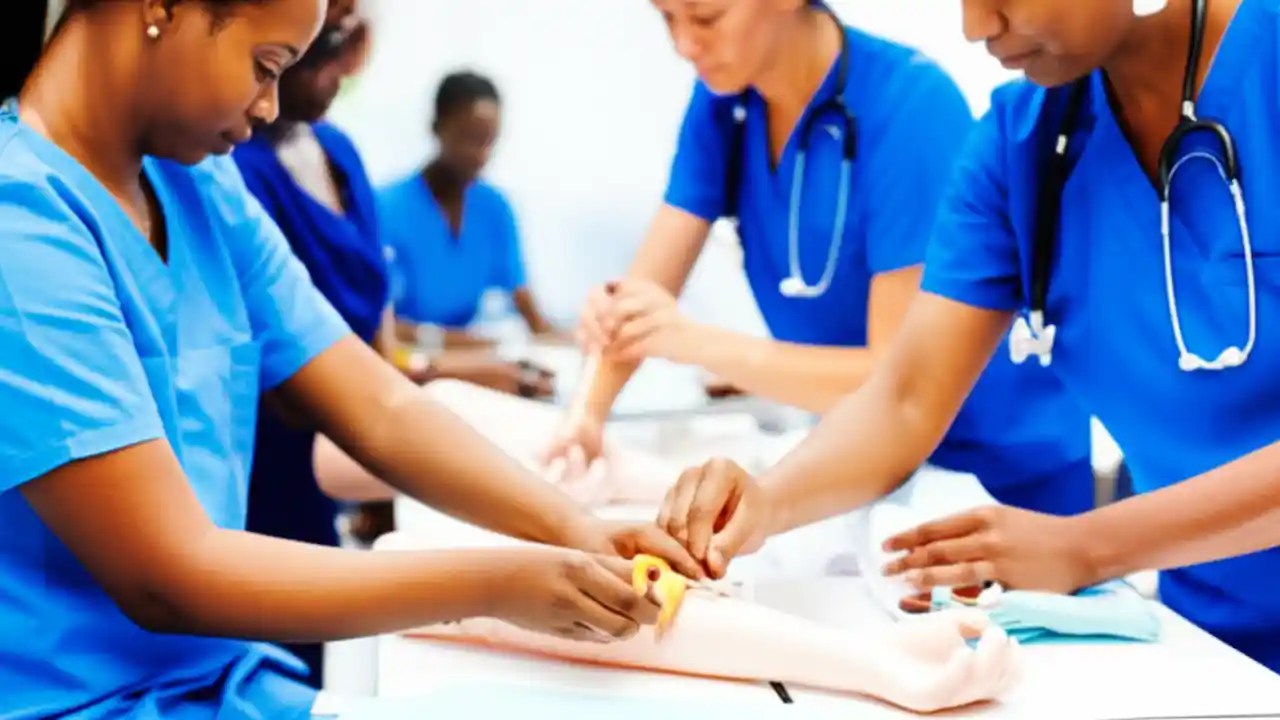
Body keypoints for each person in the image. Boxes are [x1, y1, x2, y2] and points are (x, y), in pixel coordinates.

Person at [0, 2, 701, 718]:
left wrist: (573, 529)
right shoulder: (18, 227)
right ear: (161, 7)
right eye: (265, 66)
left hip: (222, 685)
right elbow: (168, 574)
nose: (270, 107)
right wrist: (501, 584)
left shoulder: (199, 189)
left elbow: (380, 405)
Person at [655, 0, 1280, 674]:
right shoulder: (1022, 146)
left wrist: (1089, 545)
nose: (975, 27)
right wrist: (769, 500)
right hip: (1208, 638)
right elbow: (905, 398)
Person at [549, 0, 1094, 518]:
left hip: (996, 476)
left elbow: (896, 381)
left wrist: (691, 342)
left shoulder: (909, 106)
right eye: (665, 17)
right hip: (859, 466)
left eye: (706, 17)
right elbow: (644, 295)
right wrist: (585, 419)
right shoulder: (725, 105)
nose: (684, 44)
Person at [380, 71, 559, 348]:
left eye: (489, 141)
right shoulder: (386, 208)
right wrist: (465, 343)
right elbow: (376, 325)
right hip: (406, 360)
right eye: (470, 138)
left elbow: (531, 314)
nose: (481, 155)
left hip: (472, 356)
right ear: (437, 127)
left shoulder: (494, 209)